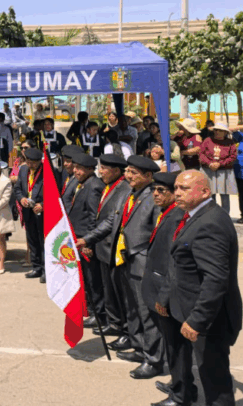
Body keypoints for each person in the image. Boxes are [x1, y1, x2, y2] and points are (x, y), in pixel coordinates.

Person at [85, 155, 164, 379]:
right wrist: (87, 239)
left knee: (146, 314)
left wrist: (146, 258)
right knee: (131, 309)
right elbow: (112, 221)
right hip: (122, 259)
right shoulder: (129, 194)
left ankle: (154, 360)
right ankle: (139, 348)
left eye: (134, 173)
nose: (128, 176)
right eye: (127, 171)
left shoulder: (153, 197)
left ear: (148, 176)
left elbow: (158, 233)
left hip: (140, 262)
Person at [169, 171, 243, 406]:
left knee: (216, 383)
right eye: (176, 187)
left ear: (204, 192)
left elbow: (216, 278)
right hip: (198, 312)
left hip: (211, 320)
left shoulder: (211, 223)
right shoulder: (196, 215)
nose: (177, 192)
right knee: (211, 376)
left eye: (184, 188)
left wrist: (198, 320)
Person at [141, 171, 197, 406]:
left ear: (174, 193)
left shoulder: (176, 217)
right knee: (172, 346)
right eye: (154, 189)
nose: (155, 193)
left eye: (161, 190)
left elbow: (172, 264)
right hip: (160, 290)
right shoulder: (167, 213)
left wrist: (163, 299)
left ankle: (182, 395)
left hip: (169, 295)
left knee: (178, 348)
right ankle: (179, 384)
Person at [76, 154, 130, 341]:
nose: (100, 172)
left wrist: (88, 240)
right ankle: (113, 322)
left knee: (116, 291)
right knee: (107, 288)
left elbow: (111, 219)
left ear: (116, 171)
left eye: (104, 169)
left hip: (112, 247)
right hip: (102, 245)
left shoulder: (124, 189)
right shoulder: (110, 186)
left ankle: (122, 327)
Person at [67, 153, 106, 328]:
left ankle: (98, 313)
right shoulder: (81, 183)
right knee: (85, 277)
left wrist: (88, 242)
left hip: (86, 240)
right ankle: (90, 307)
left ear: (90, 169)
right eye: (74, 167)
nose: (75, 171)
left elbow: (93, 217)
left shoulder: (94, 186)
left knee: (93, 279)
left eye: (79, 168)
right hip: (78, 238)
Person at [14, 148, 46, 282]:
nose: (30, 165)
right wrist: (21, 199)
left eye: (33, 163)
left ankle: (46, 270)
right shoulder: (23, 170)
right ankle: (37, 267)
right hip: (28, 211)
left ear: (39, 161)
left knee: (43, 242)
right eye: (28, 162)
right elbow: (18, 189)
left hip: (41, 212)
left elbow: (56, 194)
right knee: (32, 240)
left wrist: (43, 205)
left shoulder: (48, 173)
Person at [199, 122, 237, 214]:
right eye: (216, 130)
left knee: (224, 195)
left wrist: (220, 164)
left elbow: (233, 156)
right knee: (210, 194)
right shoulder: (207, 140)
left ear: (225, 132)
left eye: (220, 130)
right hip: (208, 170)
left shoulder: (230, 142)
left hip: (224, 171)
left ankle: (225, 215)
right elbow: (201, 154)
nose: (217, 132)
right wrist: (209, 163)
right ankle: (211, 214)